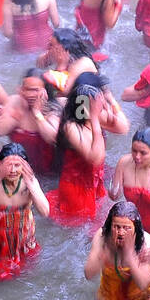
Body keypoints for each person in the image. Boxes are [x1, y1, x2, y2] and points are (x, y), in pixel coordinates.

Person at [49, 71, 129, 223]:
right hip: (76, 190)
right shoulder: (71, 126)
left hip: (95, 184)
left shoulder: (94, 116)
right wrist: (94, 118)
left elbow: (123, 128)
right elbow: (96, 158)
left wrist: (110, 100)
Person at [0, 143, 49, 281]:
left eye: (17, 165)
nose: (13, 170)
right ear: (0, 164)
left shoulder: (30, 183)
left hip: (22, 245)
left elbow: (45, 212)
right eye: (8, 165)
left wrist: (31, 185)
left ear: (25, 166)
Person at [85, 201, 150, 300]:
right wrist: (103, 255)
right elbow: (88, 275)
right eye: (116, 227)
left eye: (126, 228)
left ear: (136, 228)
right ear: (110, 225)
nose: (121, 233)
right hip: (110, 294)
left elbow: (143, 283)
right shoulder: (102, 237)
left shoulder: (145, 241)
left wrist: (130, 255)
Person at [108, 127, 150, 235]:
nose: (137, 157)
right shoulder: (124, 163)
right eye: (134, 151)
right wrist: (113, 191)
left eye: (143, 153)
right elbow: (114, 195)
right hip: (131, 225)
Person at [0, 69, 61, 173]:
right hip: (18, 169)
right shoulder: (14, 101)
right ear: (21, 90)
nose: (30, 94)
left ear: (44, 91)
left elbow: (52, 138)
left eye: (35, 90)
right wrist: (20, 111)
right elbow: (1, 131)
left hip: (48, 172)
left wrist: (36, 112)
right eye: (27, 89)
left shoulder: (51, 108)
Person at [36, 27, 100, 96]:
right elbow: (39, 65)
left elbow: (62, 93)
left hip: (87, 99)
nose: (48, 49)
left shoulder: (81, 63)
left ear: (63, 48)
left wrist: (61, 64)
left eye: (51, 45)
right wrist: (48, 56)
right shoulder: (57, 52)